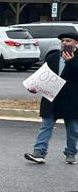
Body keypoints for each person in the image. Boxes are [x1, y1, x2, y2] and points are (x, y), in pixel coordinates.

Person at [24, 33, 78, 165]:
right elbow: (43, 75)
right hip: (51, 97)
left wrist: (71, 62)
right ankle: (39, 152)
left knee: (73, 129)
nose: (65, 43)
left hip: (71, 99)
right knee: (46, 126)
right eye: (63, 41)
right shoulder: (53, 57)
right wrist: (34, 86)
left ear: (76, 43)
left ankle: (71, 153)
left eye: (68, 41)